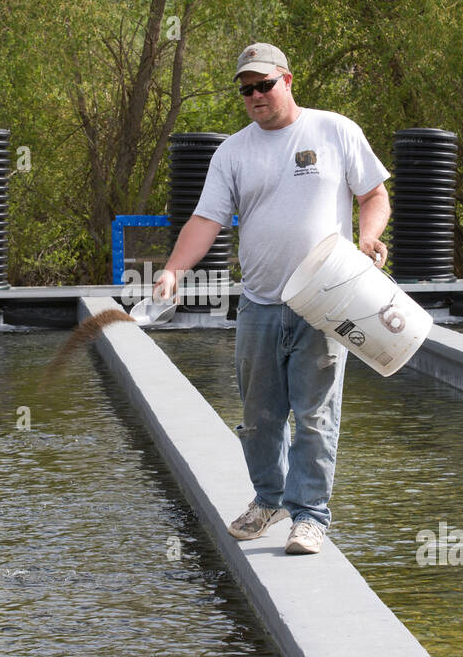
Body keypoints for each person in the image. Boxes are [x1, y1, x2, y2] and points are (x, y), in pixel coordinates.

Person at [153, 42, 391, 555]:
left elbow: (373, 194)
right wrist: (174, 270)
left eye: (264, 84)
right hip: (260, 303)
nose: (256, 95)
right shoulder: (233, 152)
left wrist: (369, 237)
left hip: (325, 300)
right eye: (246, 90)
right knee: (258, 417)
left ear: (287, 79)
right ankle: (268, 499)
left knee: (314, 415)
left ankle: (309, 517)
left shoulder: (335, 130)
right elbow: (206, 220)